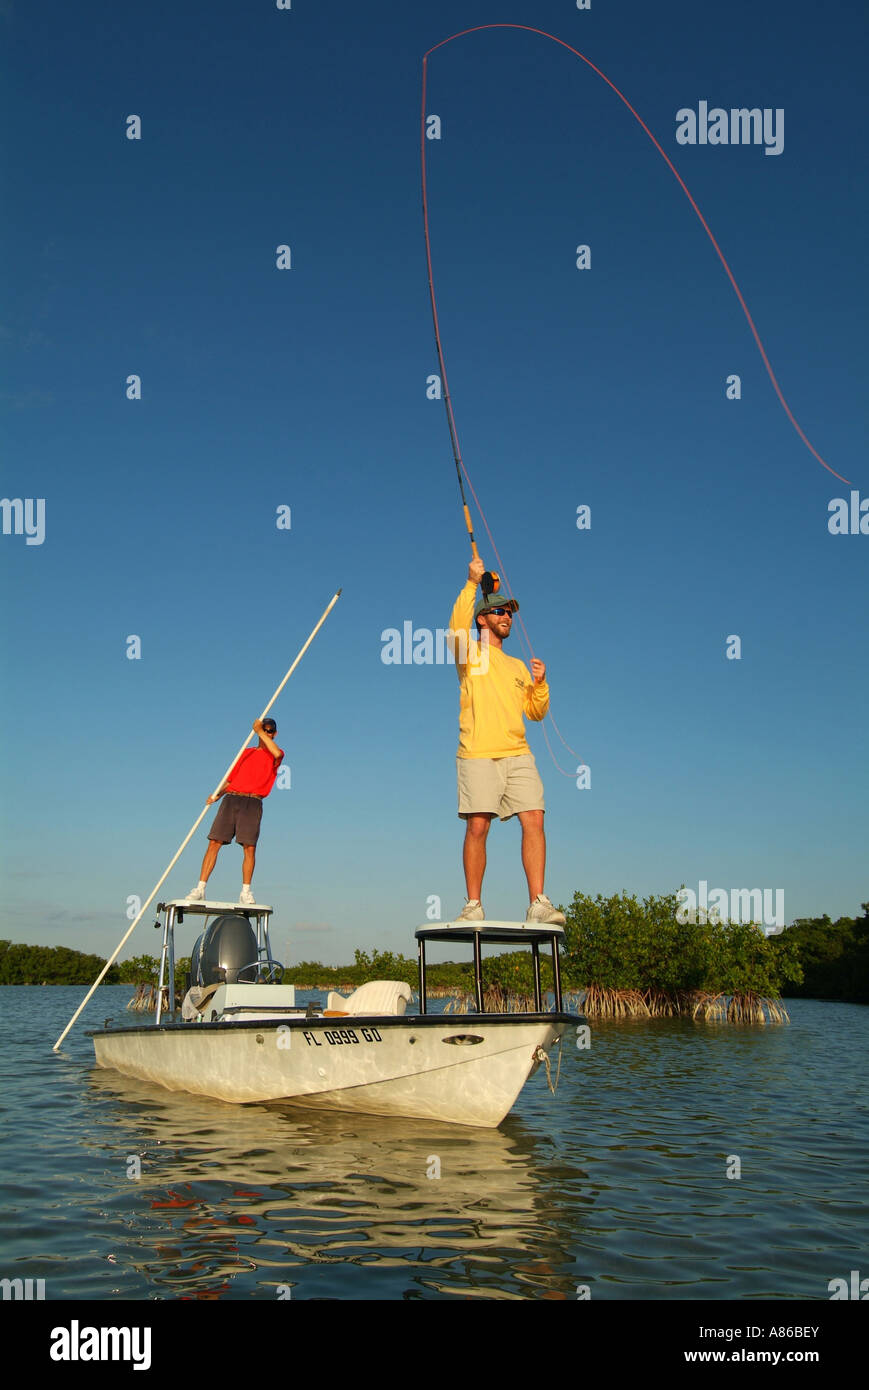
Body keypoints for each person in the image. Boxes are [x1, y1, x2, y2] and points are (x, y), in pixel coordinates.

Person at [447, 556, 565, 925]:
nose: (506, 617)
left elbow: (535, 712)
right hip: (478, 753)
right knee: (478, 825)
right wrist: (471, 584)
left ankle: (538, 903)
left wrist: (541, 685)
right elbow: (454, 630)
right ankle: (473, 906)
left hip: (518, 754)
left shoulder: (517, 666)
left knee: (534, 818)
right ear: (482, 618)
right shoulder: (470, 654)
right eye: (499, 611)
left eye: (509, 614)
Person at [186, 719, 284, 905]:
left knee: (249, 847)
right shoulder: (245, 753)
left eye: (270, 731)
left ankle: (245, 892)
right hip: (231, 799)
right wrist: (217, 794)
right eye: (265, 730)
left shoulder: (275, 754)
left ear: (274, 734)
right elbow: (230, 780)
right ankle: (200, 888)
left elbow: (277, 752)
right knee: (214, 842)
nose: (267, 733)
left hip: (253, 801)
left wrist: (259, 732)